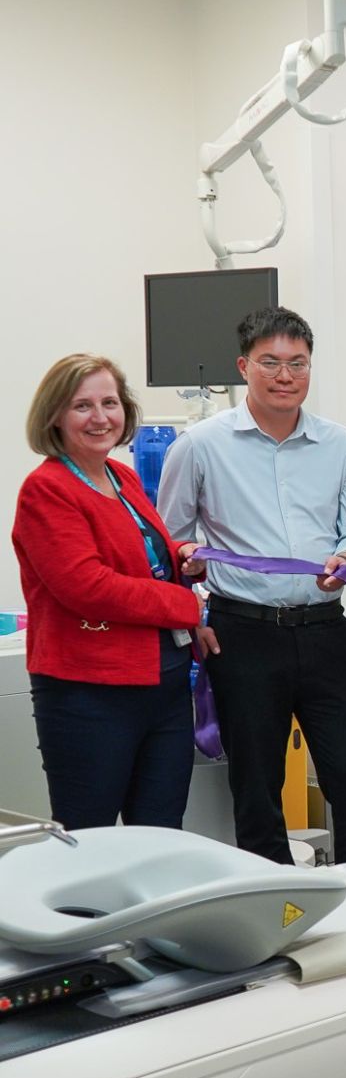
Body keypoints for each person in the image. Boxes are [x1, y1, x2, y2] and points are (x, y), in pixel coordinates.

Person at [158, 306, 346, 866]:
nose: (285, 376)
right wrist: (190, 580)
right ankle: (275, 912)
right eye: (271, 363)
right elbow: (169, 542)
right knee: (258, 791)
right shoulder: (201, 445)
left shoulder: (340, 444)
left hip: (327, 633)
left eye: (298, 363)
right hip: (245, 636)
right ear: (244, 366)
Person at [13, 355, 203, 830]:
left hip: (164, 686)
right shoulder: (46, 490)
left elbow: (140, 551)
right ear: (55, 415)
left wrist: (181, 555)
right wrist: (186, 607)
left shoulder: (123, 477)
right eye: (82, 405)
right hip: (90, 694)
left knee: (160, 833)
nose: (100, 418)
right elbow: (87, 586)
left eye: (109, 403)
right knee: (92, 839)